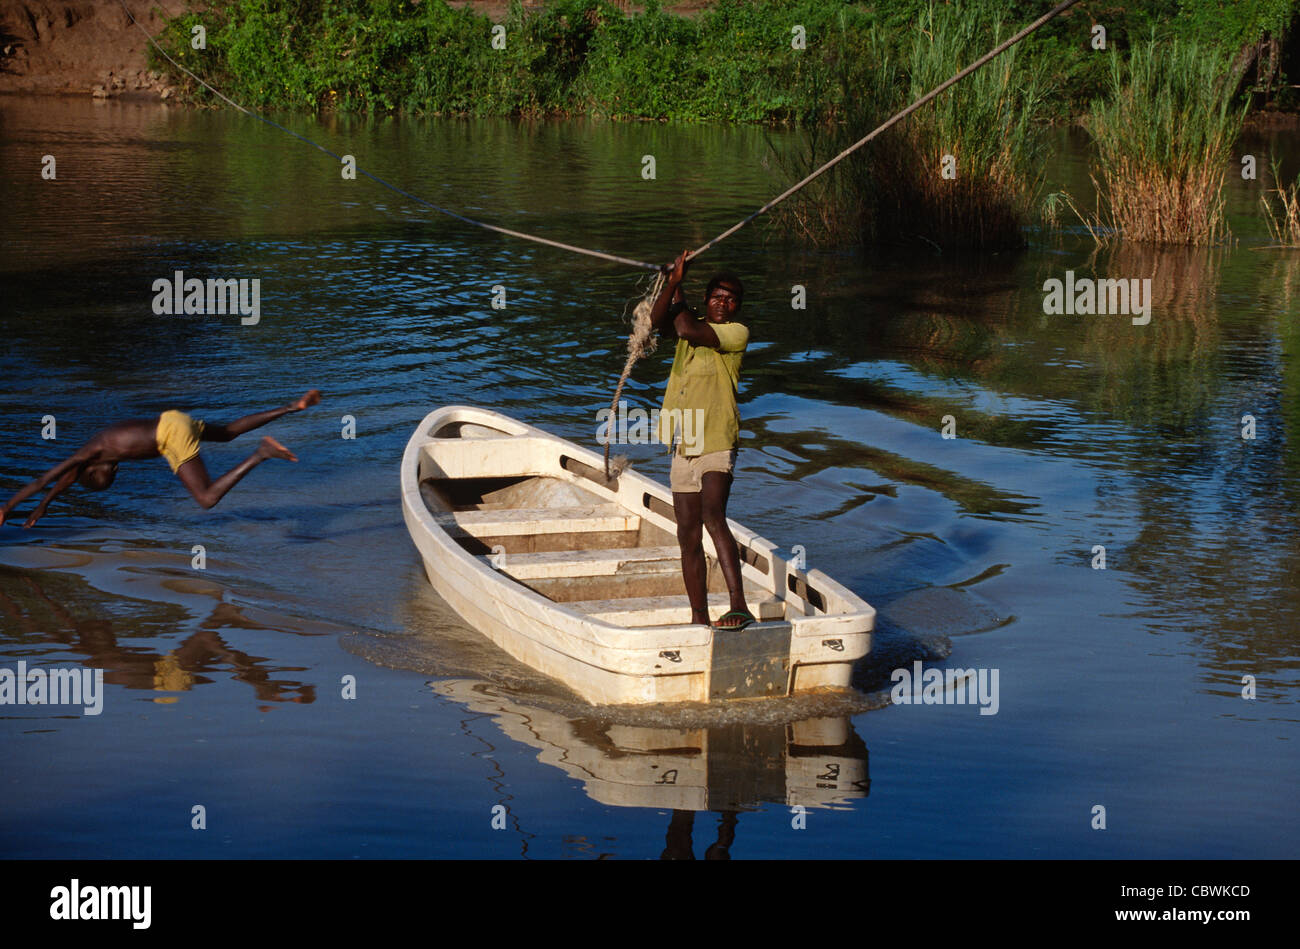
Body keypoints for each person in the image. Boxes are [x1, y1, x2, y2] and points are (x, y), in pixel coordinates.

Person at [0, 390, 321, 529]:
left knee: (206, 498)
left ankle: (261, 454)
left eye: (103, 482)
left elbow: (46, 478)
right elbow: (63, 481)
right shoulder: (99, 451)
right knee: (225, 433)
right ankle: (291, 407)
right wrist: (44, 506)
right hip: (172, 420)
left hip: (169, 436)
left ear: (95, 469)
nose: (111, 479)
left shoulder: (91, 452)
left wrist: (8, 507)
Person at [649, 250, 753, 630]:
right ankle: (698, 618)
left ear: (736, 308)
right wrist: (673, 282)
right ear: (706, 300)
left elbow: (685, 328)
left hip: (717, 439)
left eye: (730, 300)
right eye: (716, 297)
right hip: (684, 441)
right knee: (687, 535)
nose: (723, 303)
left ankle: (738, 604)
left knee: (713, 513)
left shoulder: (733, 334)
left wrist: (678, 285)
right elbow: (658, 320)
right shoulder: (686, 325)